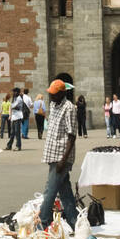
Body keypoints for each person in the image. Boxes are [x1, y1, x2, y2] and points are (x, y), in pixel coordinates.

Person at [38, 80, 78, 229]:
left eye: (54, 94)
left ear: (62, 93)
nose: (51, 97)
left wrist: (63, 160)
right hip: (52, 153)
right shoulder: (54, 105)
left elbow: (72, 135)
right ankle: (74, 222)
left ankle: (43, 221)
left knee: (50, 190)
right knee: (65, 191)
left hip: (61, 156)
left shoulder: (69, 108)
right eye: (50, 94)